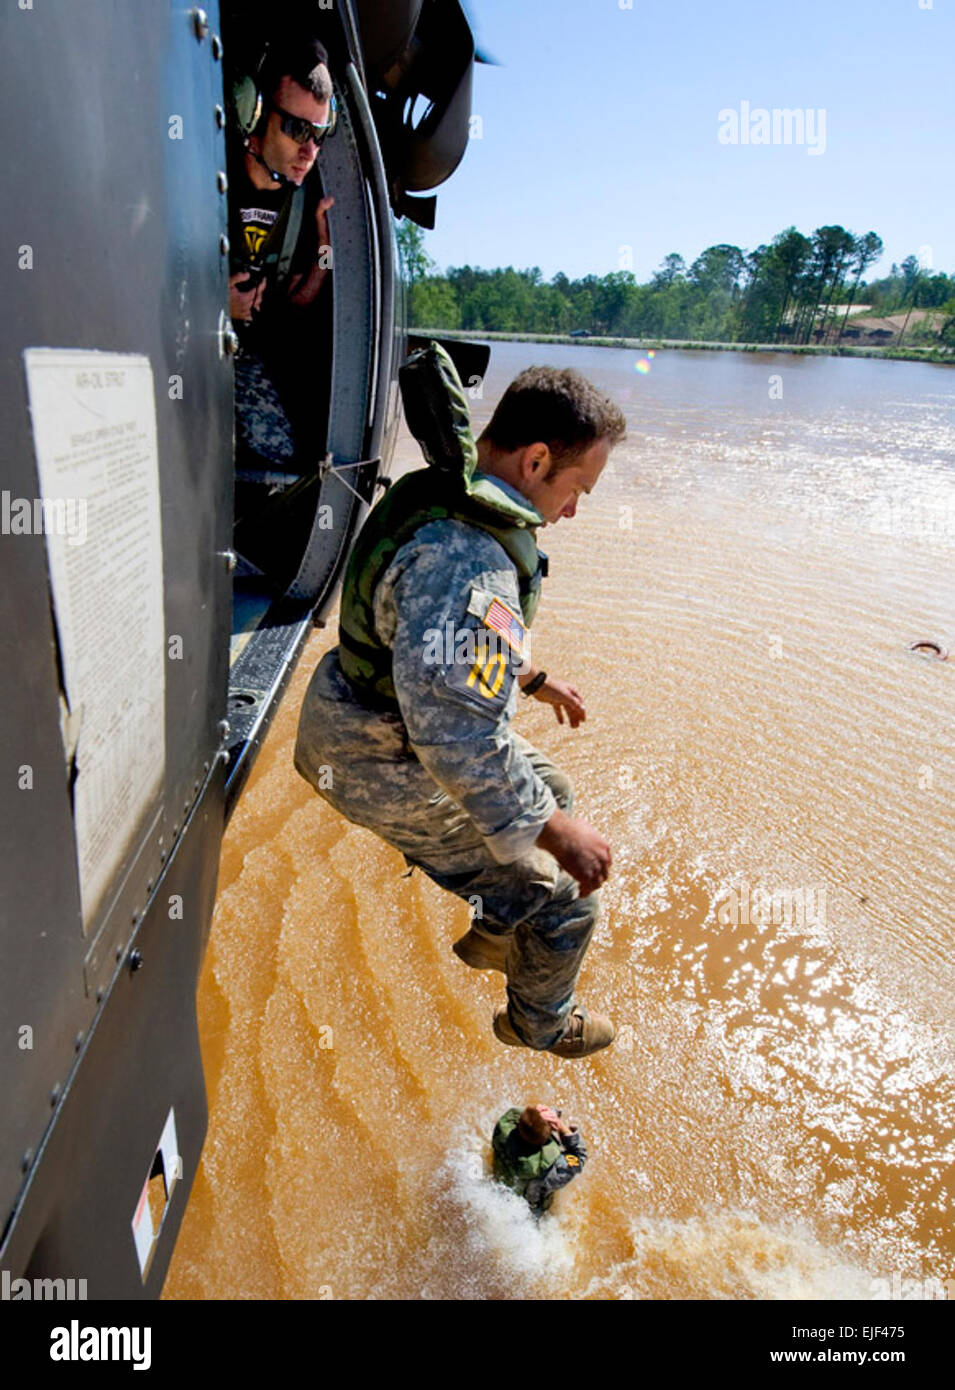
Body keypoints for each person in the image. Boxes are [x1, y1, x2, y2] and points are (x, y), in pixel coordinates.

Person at [294, 349, 627, 1057]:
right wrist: (554, 833)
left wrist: (534, 683)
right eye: (577, 490)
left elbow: (444, 643)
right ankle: (538, 1021)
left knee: (554, 785)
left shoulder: (457, 495)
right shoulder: (469, 555)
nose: (570, 511)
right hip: (376, 759)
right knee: (568, 897)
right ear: (535, 461)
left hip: (369, 714)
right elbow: (455, 735)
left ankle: (493, 926)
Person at [228, 34, 336, 467]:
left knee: (279, 454)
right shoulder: (205, 179)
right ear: (254, 118)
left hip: (238, 353)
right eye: (296, 129)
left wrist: (325, 247)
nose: (309, 150)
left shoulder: (306, 205)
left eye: (320, 133)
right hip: (174, 346)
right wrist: (216, 303)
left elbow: (302, 297)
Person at [492, 1104, 587, 1216]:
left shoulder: (502, 1132)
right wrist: (561, 1126)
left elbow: (526, 1121)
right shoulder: (551, 1169)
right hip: (530, 1214)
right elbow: (580, 1155)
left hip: (505, 1195)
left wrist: (534, 1117)